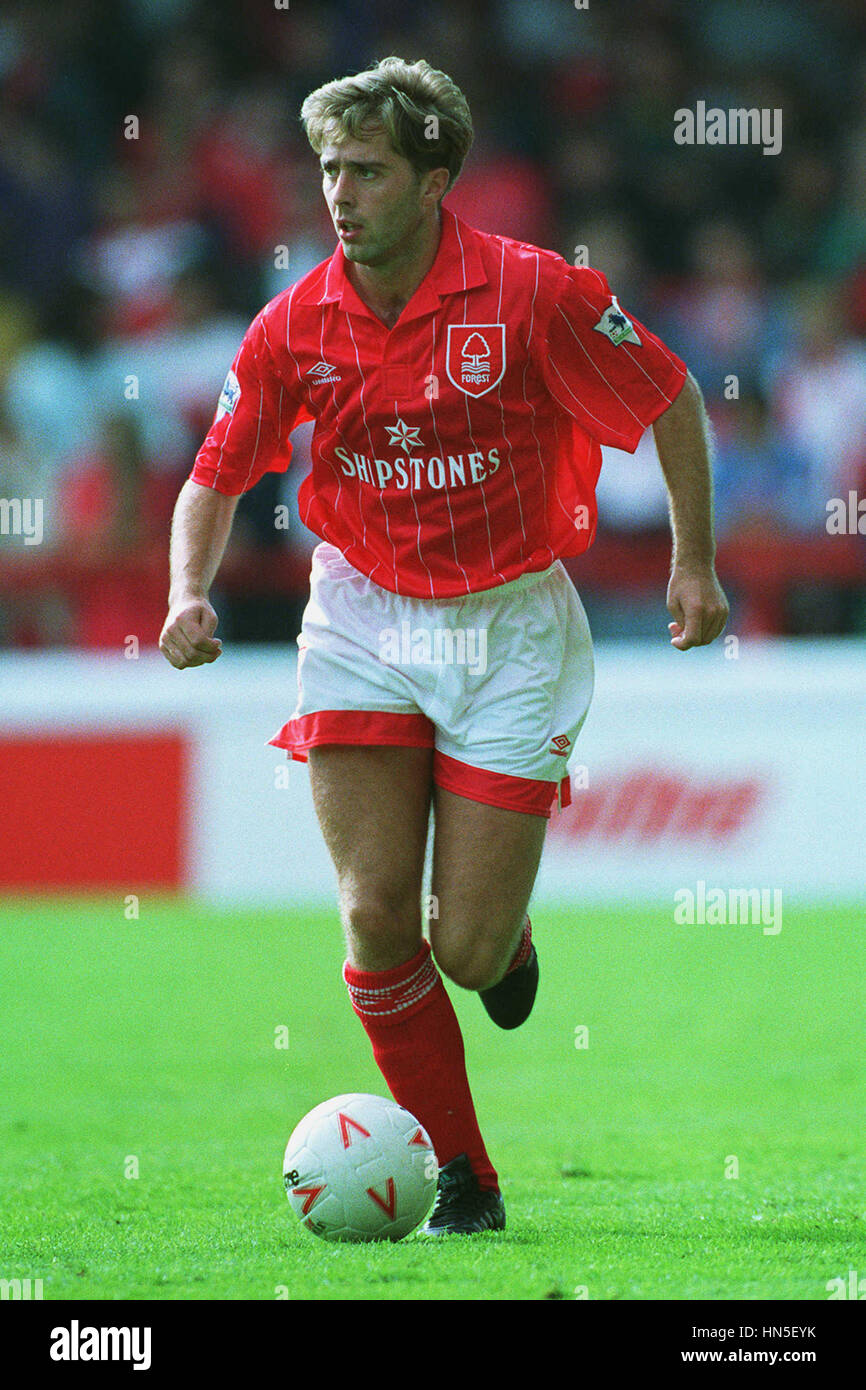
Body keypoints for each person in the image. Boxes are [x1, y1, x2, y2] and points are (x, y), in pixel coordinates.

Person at [159, 57, 729, 1235]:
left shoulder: (534, 294)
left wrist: (690, 562)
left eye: (364, 170)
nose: (338, 192)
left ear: (433, 179)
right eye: (326, 169)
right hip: (362, 619)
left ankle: (497, 931)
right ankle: (465, 1177)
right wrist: (186, 594)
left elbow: (668, 396)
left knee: (464, 953)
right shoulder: (295, 321)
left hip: (510, 627)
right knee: (372, 913)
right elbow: (214, 472)